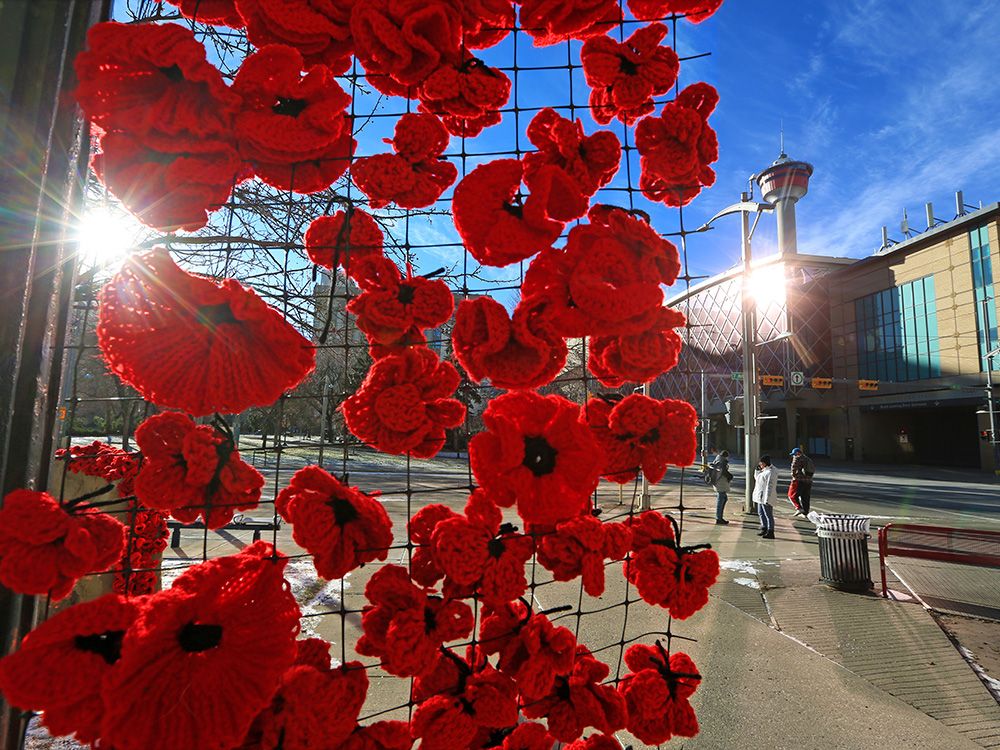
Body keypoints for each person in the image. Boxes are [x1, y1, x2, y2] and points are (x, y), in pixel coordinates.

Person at [752, 454, 777, 539]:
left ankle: (770, 531)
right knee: (761, 513)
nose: (760, 465)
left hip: (765, 497)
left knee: (768, 514)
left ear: (765, 463)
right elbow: (757, 479)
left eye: (761, 463)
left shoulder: (771, 472)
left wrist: (767, 498)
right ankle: (764, 527)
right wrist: (757, 471)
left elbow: (770, 486)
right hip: (760, 496)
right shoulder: (764, 471)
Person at [788, 447, 815, 517]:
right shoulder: (808, 459)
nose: (793, 456)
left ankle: (799, 508)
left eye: (794, 454)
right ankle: (805, 512)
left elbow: (793, 469)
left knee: (792, 495)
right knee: (805, 497)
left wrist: (794, 476)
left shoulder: (797, 458)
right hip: (808, 481)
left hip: (799, 480)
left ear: (797, 453)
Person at [710, 450, 732, 525]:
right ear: (726, 456)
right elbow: (724, 472)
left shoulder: (717, 460)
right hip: (721, 483)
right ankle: (719, 518)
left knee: (724, 498)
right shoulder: (722, 462)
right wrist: (730, 476)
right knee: (721, 500)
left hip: (718, 483)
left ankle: (719, 517)